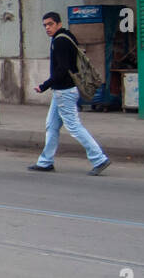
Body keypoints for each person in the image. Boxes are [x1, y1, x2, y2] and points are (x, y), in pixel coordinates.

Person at [29, 12, 110, 175]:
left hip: (64, 91)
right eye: (45, 25)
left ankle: (99, 158)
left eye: (50, 24)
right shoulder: (66, 36)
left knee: (73, 126)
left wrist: (44, 85)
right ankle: (45, 162)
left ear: (58, 24)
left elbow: (62, 69)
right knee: (51, 126)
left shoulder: (60, 41)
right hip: (61, 91)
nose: (47, 28)